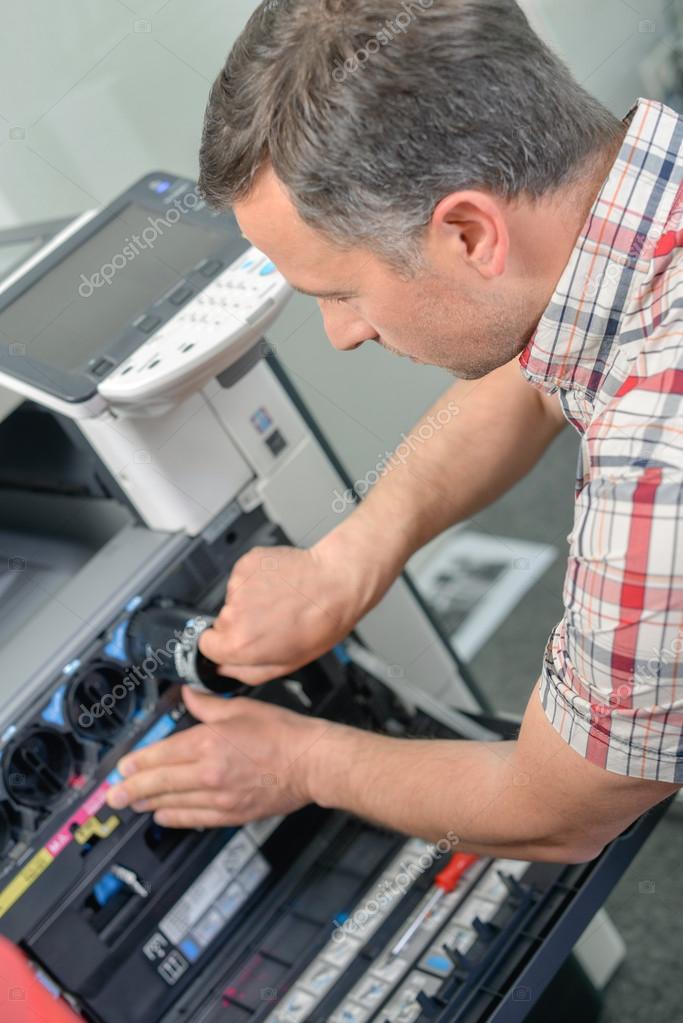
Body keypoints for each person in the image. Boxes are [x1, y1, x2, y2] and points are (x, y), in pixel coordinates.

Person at [107, 0, 683, 862]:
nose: (343, 333)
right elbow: (548, 364)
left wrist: (299, 760)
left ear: (466, 232)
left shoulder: (654, 464)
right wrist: (351, 558)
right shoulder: (633, 213)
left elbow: (562, 808)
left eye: (340, 292)